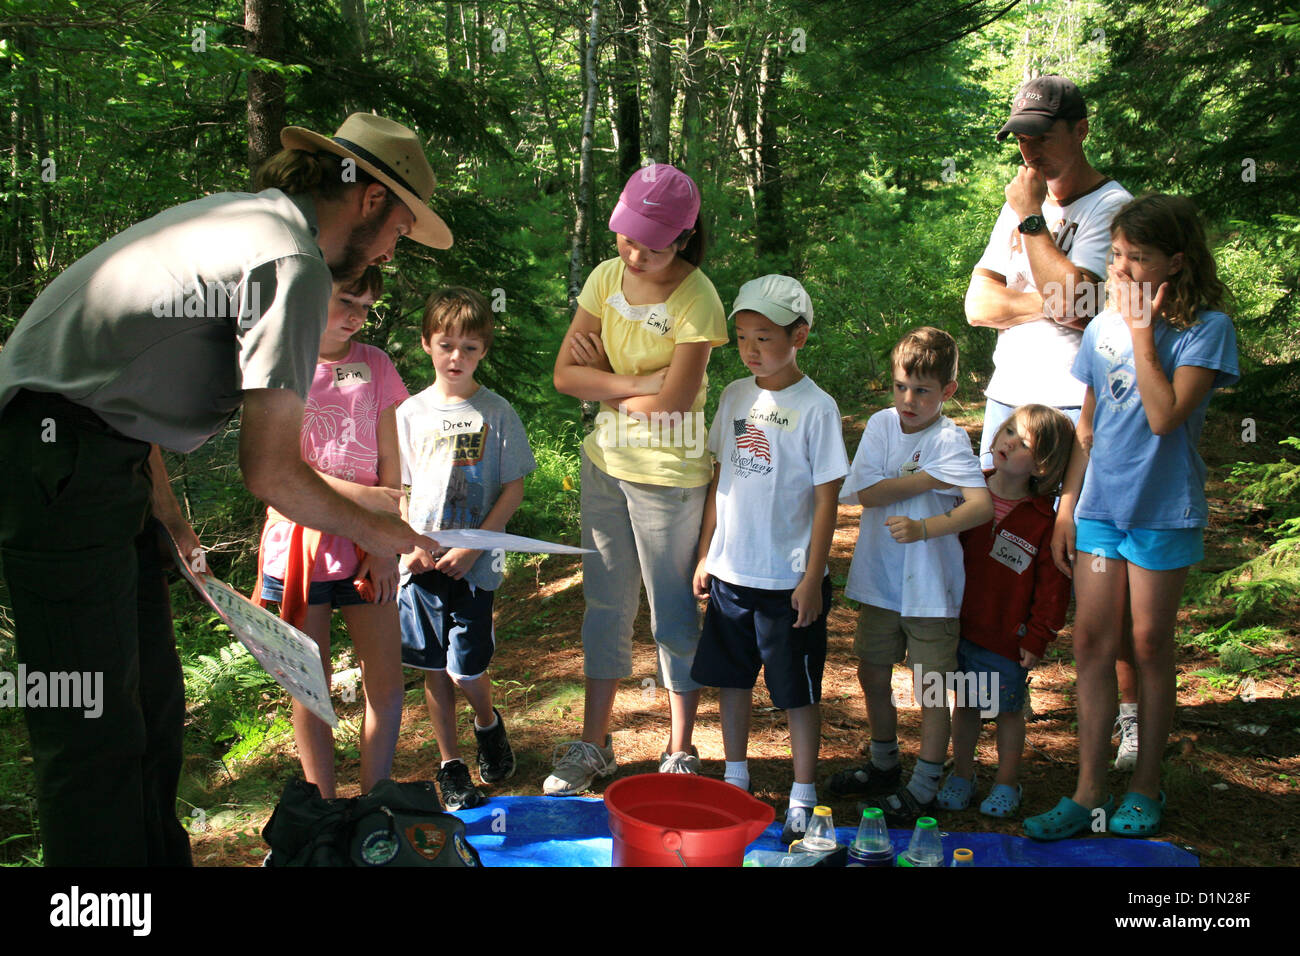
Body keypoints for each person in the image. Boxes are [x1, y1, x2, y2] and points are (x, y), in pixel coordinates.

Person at [0, 113, 449, 866]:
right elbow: (270, 471)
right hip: (55, 468)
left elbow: (117, 376)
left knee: (149, 708)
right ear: (369, 198)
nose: (390, 251)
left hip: (93, 462)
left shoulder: (239, 221)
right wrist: (375, 527)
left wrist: (165, 509)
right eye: (399, 229)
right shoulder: (292, 259)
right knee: (93, 730)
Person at [1025, 194, 1238, 840]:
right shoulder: (1100, 329)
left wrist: (1144, 335)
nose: (1120, 271)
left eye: (1136, 259)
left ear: (1176, 261)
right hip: (1100, 512)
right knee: (1091, 642)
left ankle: (1146, 785)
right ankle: (1087, 792)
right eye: (1115, 255)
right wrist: (1066, 507)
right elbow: (1087, 429)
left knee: (1147, 644)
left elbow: (1164, 416)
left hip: (1162, 512)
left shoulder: (1207, 328)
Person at [964, 74, 1140, 769]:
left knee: (1085, 561)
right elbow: (978, 304)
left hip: (1075, 407)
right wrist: (1055, 295)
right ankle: (992, 703)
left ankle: (1126, 715)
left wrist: (1034, 231)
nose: (1029, 147)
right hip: (1010, 402)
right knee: (991, 556)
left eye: (1043, 132)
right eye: (1021, 136)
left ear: (1081, 130)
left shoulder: (1111, 208)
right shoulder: (1018, 199)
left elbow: (1084, 307)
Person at [547, 164, 727, 794]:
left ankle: (680, 747)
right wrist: (636, 385)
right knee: (605, 606)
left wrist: (609, 388)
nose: (634, 253)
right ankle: (595, 745)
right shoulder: (604, 277)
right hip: (605, 466)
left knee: (672, 610)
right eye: (627, 239)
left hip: (669, 474)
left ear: (682, 239)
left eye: (651, 245)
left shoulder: (696, 297)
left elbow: (677, 406)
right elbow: (565, 376)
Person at [687, 276, 848, 844]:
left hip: (788, 582)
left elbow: (828, 500)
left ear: (799, 334)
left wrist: (811, 576)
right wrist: (707, 552)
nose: (750, 349)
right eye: (742, 337)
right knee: (732, 680)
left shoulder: (817, 407)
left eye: (764, 336)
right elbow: (719, 478)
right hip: (732, 572)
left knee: (795, 689)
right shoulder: (733, 395)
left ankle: (804, 793)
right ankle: (736, 777)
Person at [827, 327, 993, 825]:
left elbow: (980, 507)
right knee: (872, 672)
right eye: (901, 386)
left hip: (931, 589)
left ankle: (924, 783)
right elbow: (862, 493)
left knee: (932, 687)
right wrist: (928, 479)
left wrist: (926, 528)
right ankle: (883, 765)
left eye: (923, 390)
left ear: (948, 392)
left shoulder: (949, 437)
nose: (908, 399)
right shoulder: (881, 425)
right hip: (880, 579)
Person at [253, 266, 407, 798]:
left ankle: (374, 805)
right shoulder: (282, 365)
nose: (358, 316)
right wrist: (360, 496)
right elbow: (274, 466)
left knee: (385, 686)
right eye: (347, 301)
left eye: (366, 306)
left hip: (369, 545)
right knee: (309, 688)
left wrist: (385, 545)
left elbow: (392, 465)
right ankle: (320, 808)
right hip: (300, 546)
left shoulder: (376, 364)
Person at [398, 287, 536, 810]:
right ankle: (450, 764)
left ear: (485, 350)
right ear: (427, 345)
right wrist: (408, 544)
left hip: (475, 567)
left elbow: (513, 488)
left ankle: (487, 723)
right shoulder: (408, 414)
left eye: (470, 348)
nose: (457, 357)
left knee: (466, 667)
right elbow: (400, 490)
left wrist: (475, 548)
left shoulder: (495, 412)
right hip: (420, 564)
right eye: (446, 345)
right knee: (433, 666)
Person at [936, 404, 1074, 818]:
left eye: (1024, 442)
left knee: (1008, 710)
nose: (1008, 441)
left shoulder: (1043, 521)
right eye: (1008, 430)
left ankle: (1006, 782)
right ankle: (962, 774)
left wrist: (1037, 636)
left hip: (1005, 637)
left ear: (1042, 465)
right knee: (965, 705)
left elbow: (1053, 588)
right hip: (957, 625)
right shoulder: (966, 490)